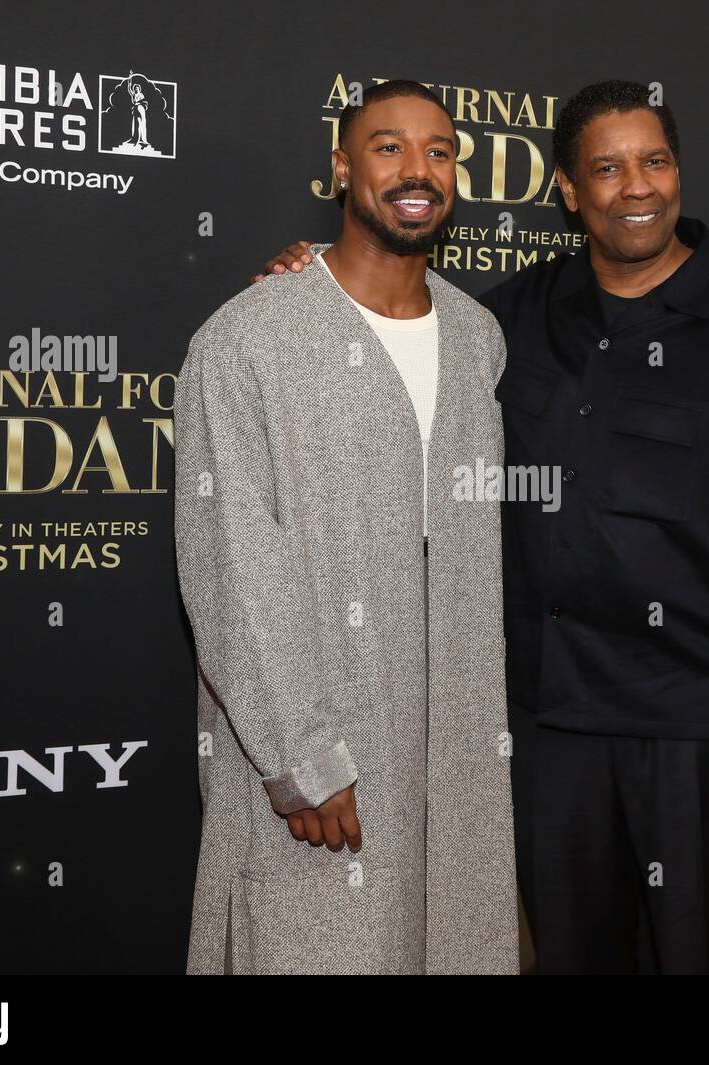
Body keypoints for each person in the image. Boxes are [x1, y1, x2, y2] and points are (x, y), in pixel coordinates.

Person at [256, 79, 709, 974]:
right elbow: (393, 320)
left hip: (704, 733)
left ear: (679, 171)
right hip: (547, 728)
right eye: (606, 169)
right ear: (570, 191)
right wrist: (305, 287)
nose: (636, 187)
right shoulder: (511, 317)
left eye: (654, 161)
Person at [175, 80, 517, 974]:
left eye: (439, 151)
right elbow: (231, 564)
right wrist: (302, 754)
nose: (418, 170)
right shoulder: (247, 337)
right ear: (340, 168)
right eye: (388, 147)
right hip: (322, 757)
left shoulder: (480, 334)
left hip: (455, 758)